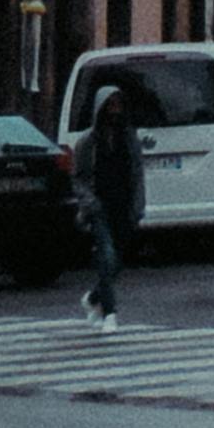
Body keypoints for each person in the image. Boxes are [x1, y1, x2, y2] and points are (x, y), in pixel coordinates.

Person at [78, 84, 144, 329]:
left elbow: (137, 173)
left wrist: (138, 205)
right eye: (110, 106)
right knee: (106, 256)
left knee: (117, 261)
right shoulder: (89, 141)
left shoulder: (129, 138)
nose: (115, 111)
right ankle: (110, 313)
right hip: (99, 206)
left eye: (119, 105)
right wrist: (89, 202)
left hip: (124, 204)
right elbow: (79, 176)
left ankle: (94, 297)